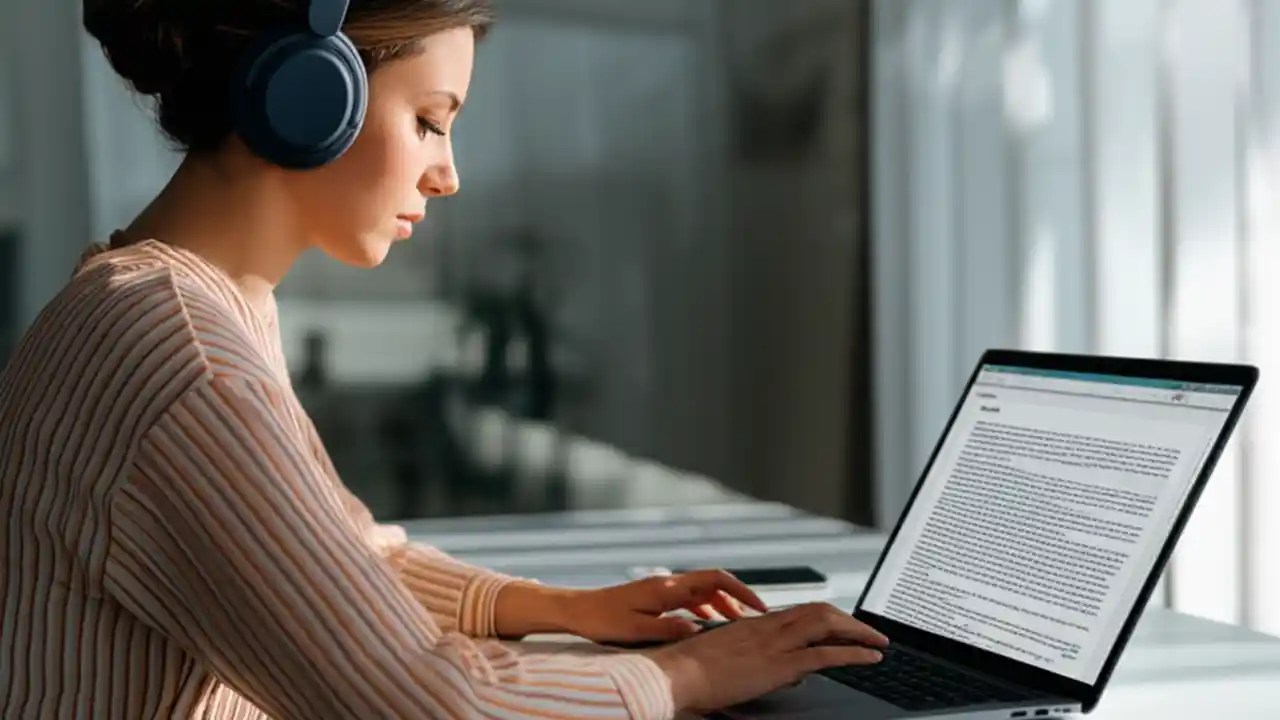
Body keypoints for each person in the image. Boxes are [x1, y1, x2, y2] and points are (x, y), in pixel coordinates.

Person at [0, 1, 889, 718]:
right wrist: (688, 679)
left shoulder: (174, 303)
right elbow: (417, 700)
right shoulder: (180, 355)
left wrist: (561, 608)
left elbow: (336, 560)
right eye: (429, 121)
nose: (447, 173)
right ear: (309, 99)